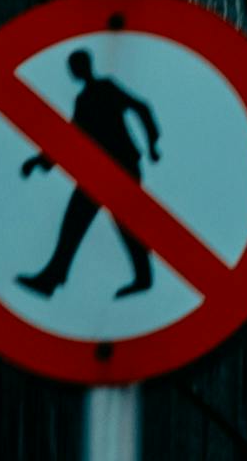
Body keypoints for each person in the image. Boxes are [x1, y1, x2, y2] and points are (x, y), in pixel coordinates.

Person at [19, 46, 163, 303]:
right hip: (97, 171)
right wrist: (40, 161)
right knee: (83, 223)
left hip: (120, 167)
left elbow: (141, 108)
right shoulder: (83, 100)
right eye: (71, 68)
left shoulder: (106, 88)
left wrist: (153, 143)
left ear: (85, 66)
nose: (73, 72)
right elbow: (70, 139)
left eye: (75, 66)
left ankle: (54, 278)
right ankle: (54, 277)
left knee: (104, 222)